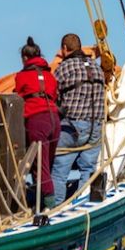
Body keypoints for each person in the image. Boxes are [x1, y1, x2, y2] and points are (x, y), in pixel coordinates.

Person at [51, 33, 106, 201]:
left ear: (64, 49)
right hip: (95, 128)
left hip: (73, 128)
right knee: (88, 170)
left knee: (59, 172)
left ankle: (56, 208)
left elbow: (52, 92)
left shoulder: (65, 68)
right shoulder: (97, 67)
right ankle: (82, 205)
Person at [13, 36, 60, 207]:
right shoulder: (50, 75)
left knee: (40, 166)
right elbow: (54, 95)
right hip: (54, 119)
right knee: (49, 163)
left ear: (25, 58)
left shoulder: (22, 76)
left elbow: (17, 98)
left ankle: (49, 206)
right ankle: (43, 201)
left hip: (37, 119)